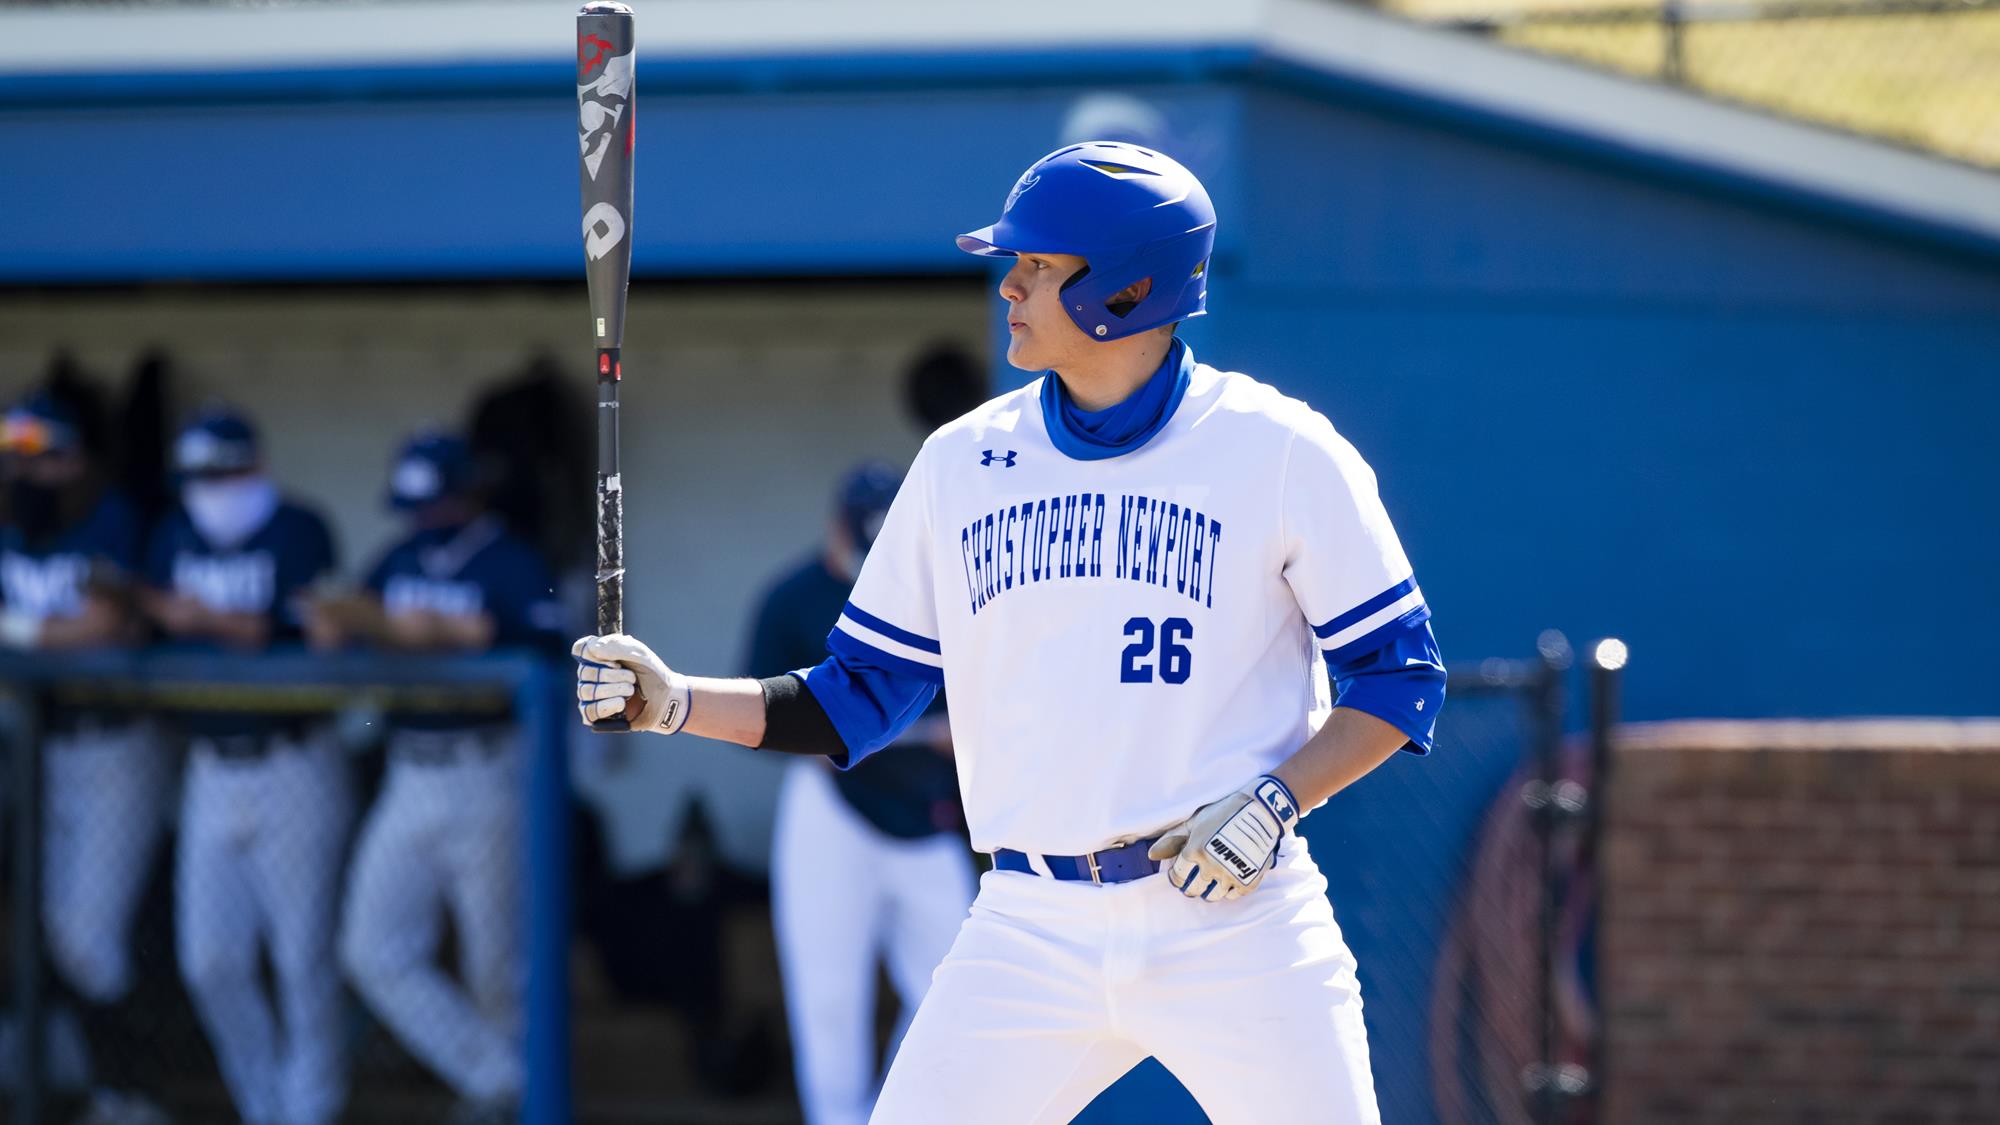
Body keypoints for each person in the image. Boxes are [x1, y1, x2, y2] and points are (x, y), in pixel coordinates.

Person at [573, 141, 1446, 1124]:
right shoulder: (961, 461)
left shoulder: (1280, 449)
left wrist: (1277, 801)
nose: (1009, 289)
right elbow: (854, 698)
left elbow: (1399, 678)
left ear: (1125, 289)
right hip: (1030, 925)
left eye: (1036, 266)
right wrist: (672, 701)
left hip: (1234, 919)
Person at [313, 430, 559, 1122]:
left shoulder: (512, 559)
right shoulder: (398, 557)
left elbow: (549, 644)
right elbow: (347, 620)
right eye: (415, 506)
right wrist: (340, 624)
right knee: (371, 948)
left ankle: (515, 1101)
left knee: (497, 966)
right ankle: (498, 1082)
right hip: (409, 770)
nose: (423, 517)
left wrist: (450, 631)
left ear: (469, 493)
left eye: (437, 503)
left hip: (488, 768)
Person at [752, 462, 974, 1125]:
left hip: (925, 806)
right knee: (827, 996)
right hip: (831, 804)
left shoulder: (943, 587)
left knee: (957, 985)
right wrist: (815, 736)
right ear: (836, 527)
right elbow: (754, 712)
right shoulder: (793, 594)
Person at [142, 406, 347, 1125]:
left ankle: (310, 1110)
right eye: (199, 476)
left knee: (302, 957)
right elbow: (150, 627)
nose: (210, 489)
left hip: (293, 760)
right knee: (210, 962)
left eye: (223, 472)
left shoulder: (299, 528)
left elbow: (300, 631)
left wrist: (205, 620)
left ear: (255, 465)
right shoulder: (173, 534)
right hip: (210, 767)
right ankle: (267, 1108)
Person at [0, 391, 168, 1124]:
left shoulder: (110, 516)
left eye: (38, 460)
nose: (23, 475)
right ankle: (101, 1088)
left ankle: (135, 1095)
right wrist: (45, 634)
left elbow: (106, 622)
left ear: (73, 460)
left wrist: (19, 633)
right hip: (41, 751)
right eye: (13, 461)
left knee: (90, 940)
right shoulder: (12, 528)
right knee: (56, 934)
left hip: (114, 747)